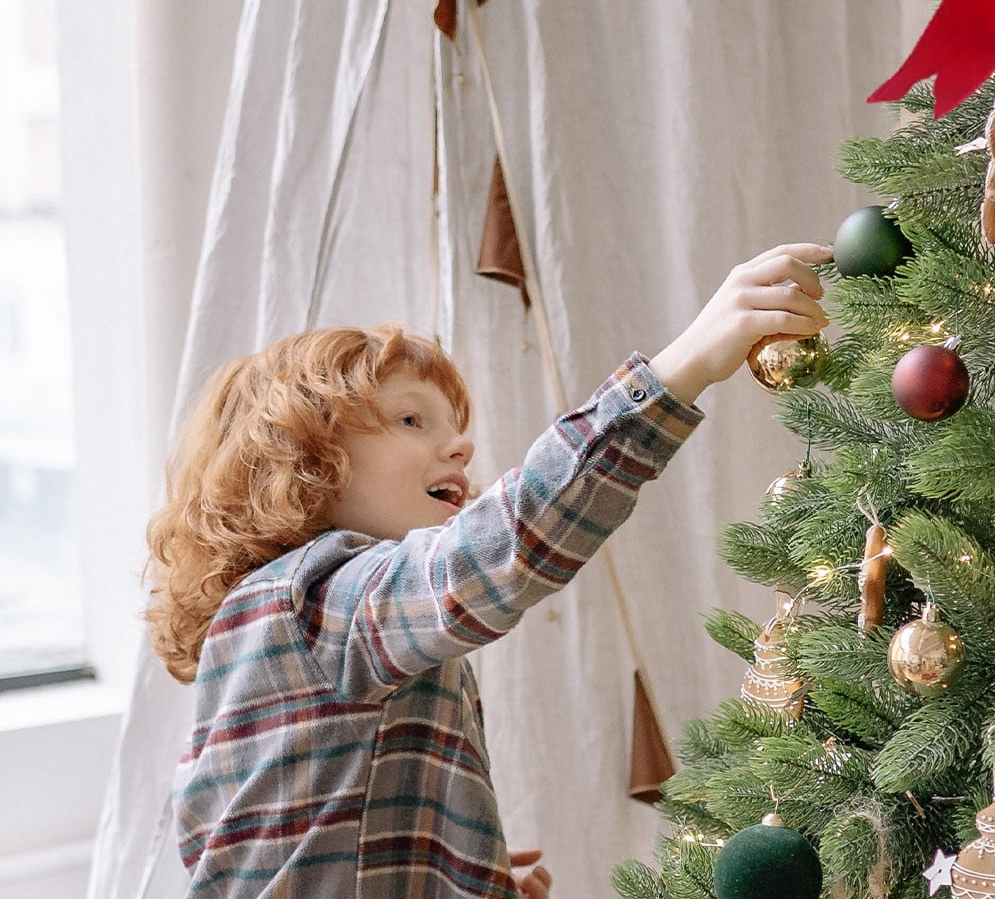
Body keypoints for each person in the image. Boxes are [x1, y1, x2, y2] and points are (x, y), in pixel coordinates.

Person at [144, 243, 831, 897]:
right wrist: (682, 368)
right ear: (304, 462)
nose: (461, 445)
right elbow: (506, 545)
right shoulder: (316, 602)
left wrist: (461, 872)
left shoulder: (284, 627)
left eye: (452, 427)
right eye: (412, 420)